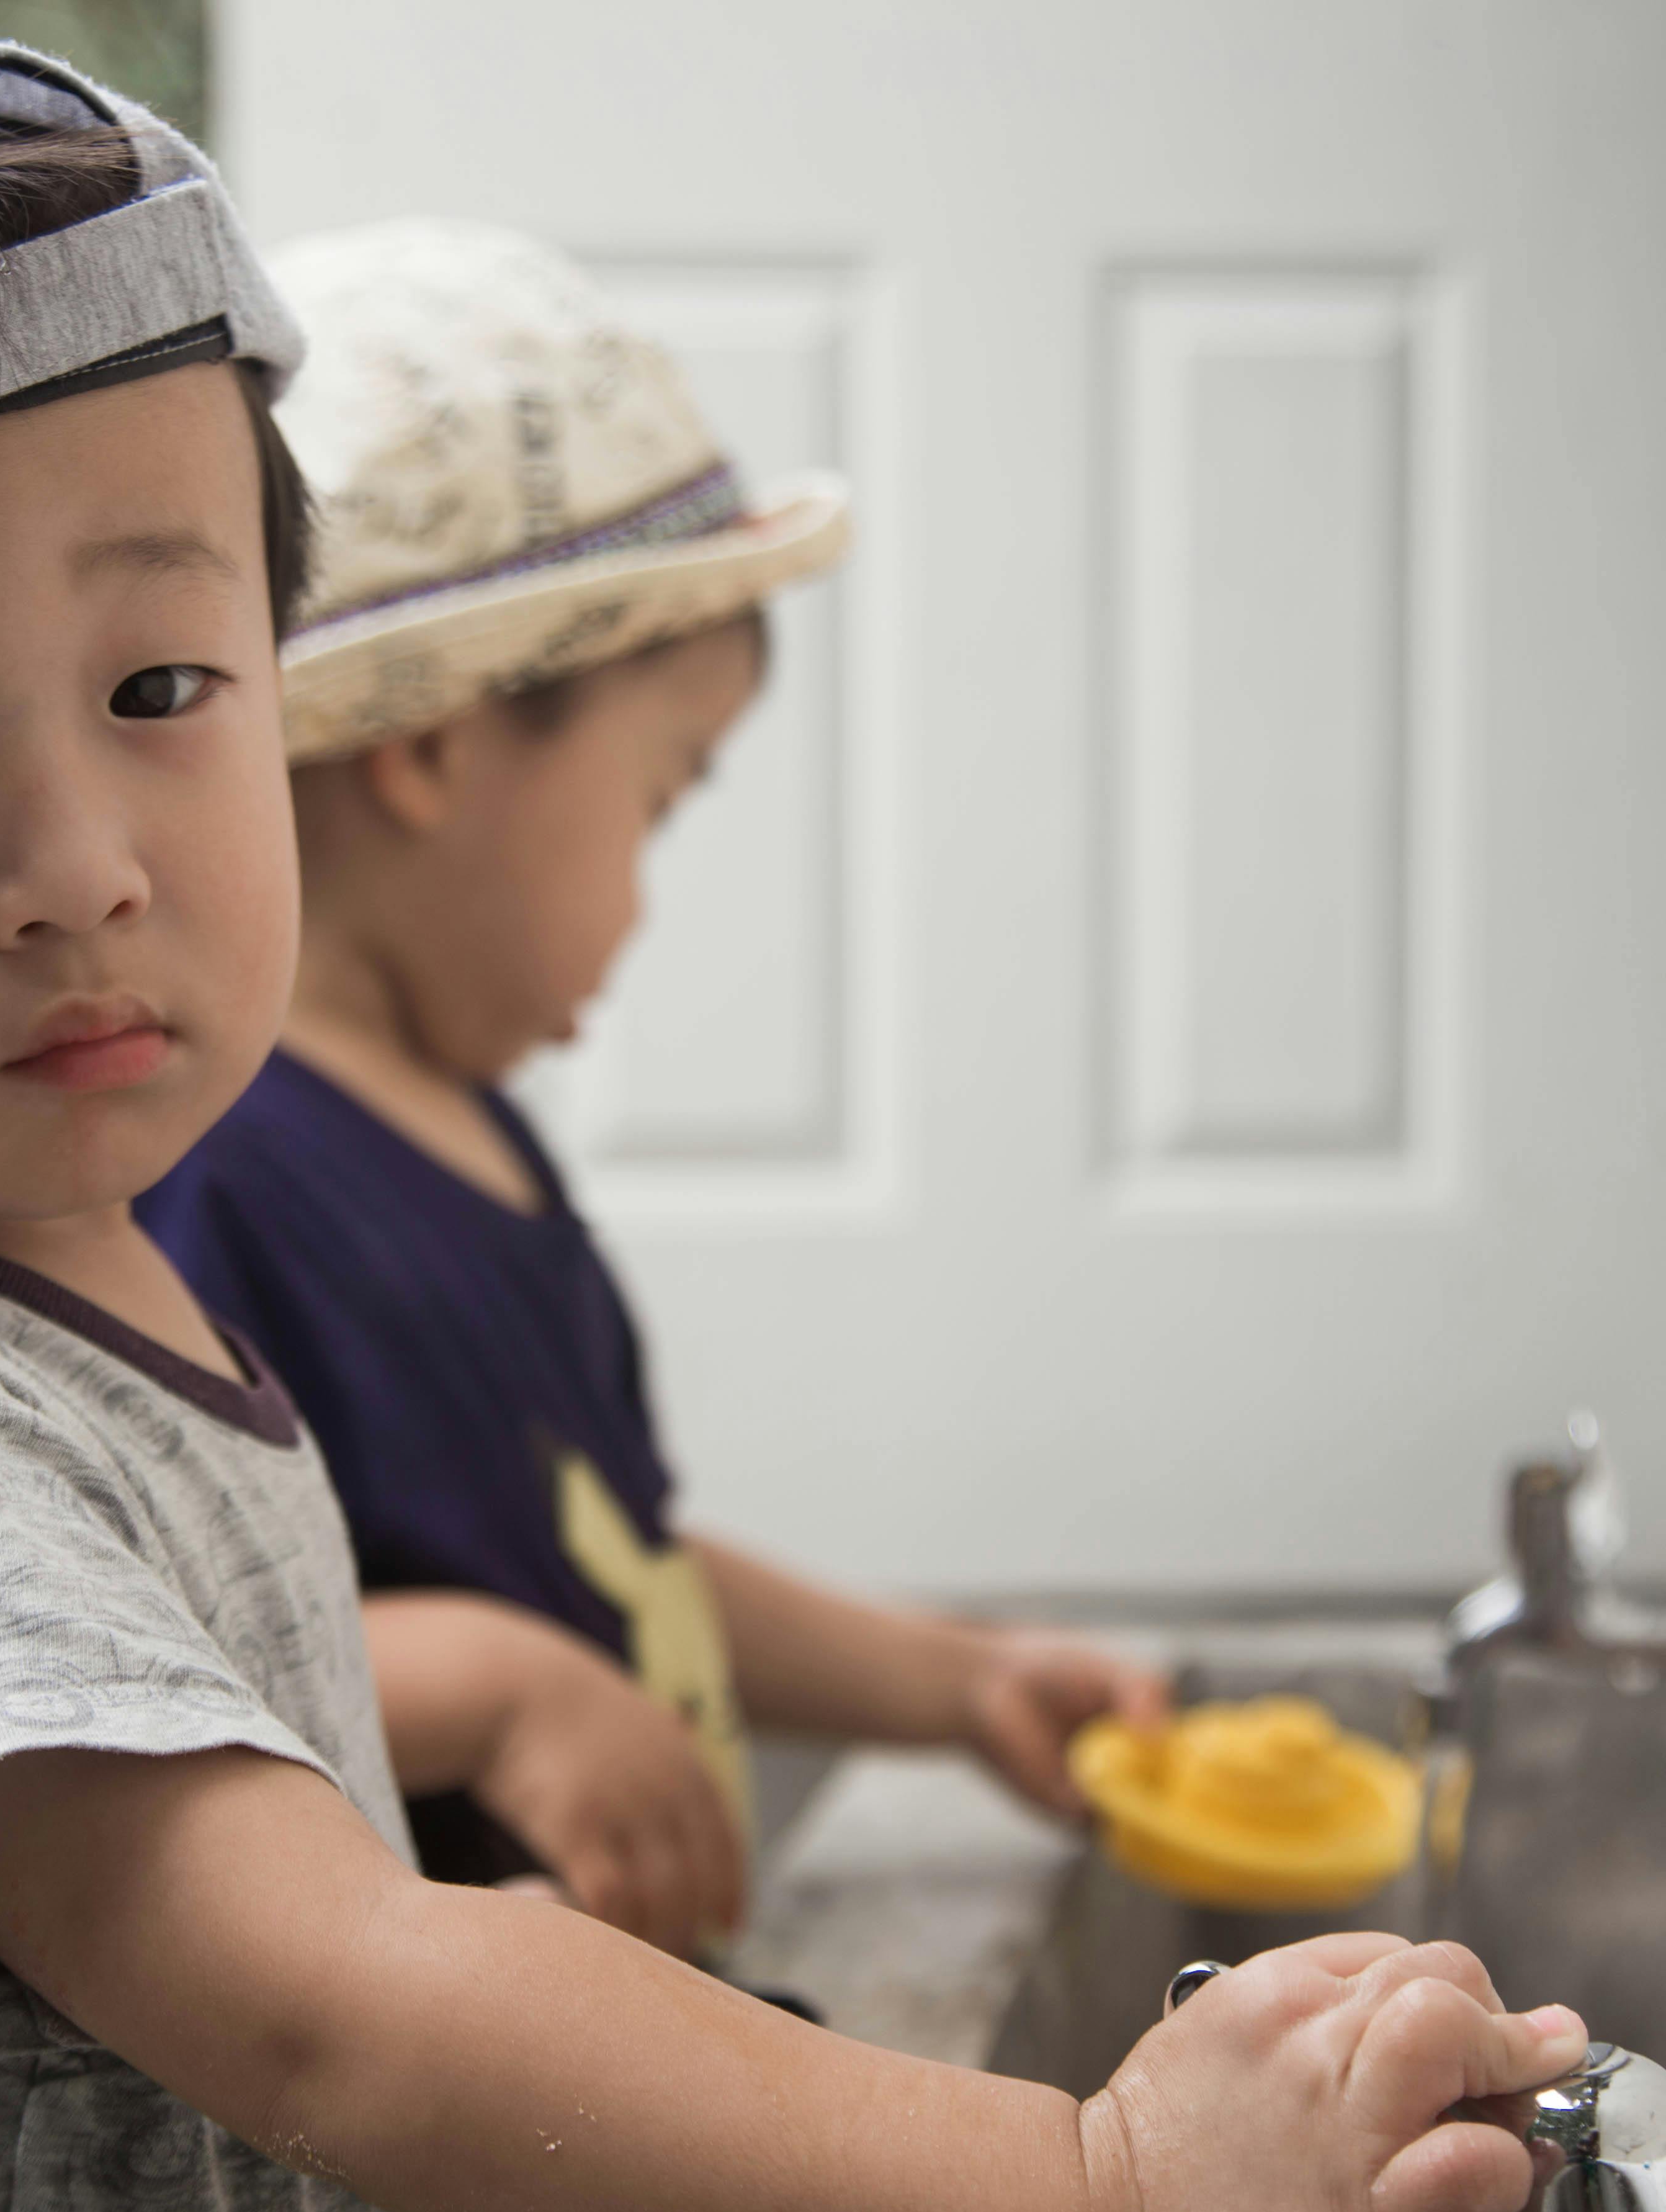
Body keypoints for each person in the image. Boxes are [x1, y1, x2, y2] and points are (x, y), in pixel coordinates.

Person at [0, 22, 1584, 2212]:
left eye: (161, 686)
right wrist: (1097, 2195)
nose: (78, 867)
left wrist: (937, 1680)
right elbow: (345, 2009)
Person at [141, 221, 1170, 1954]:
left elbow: (614, 1557)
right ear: (437, 746)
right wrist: (497, 1693)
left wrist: (953, 1680)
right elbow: (146, 1677)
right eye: (664, 796)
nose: (651, 890)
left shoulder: (468, 1132)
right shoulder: (207, 1178)